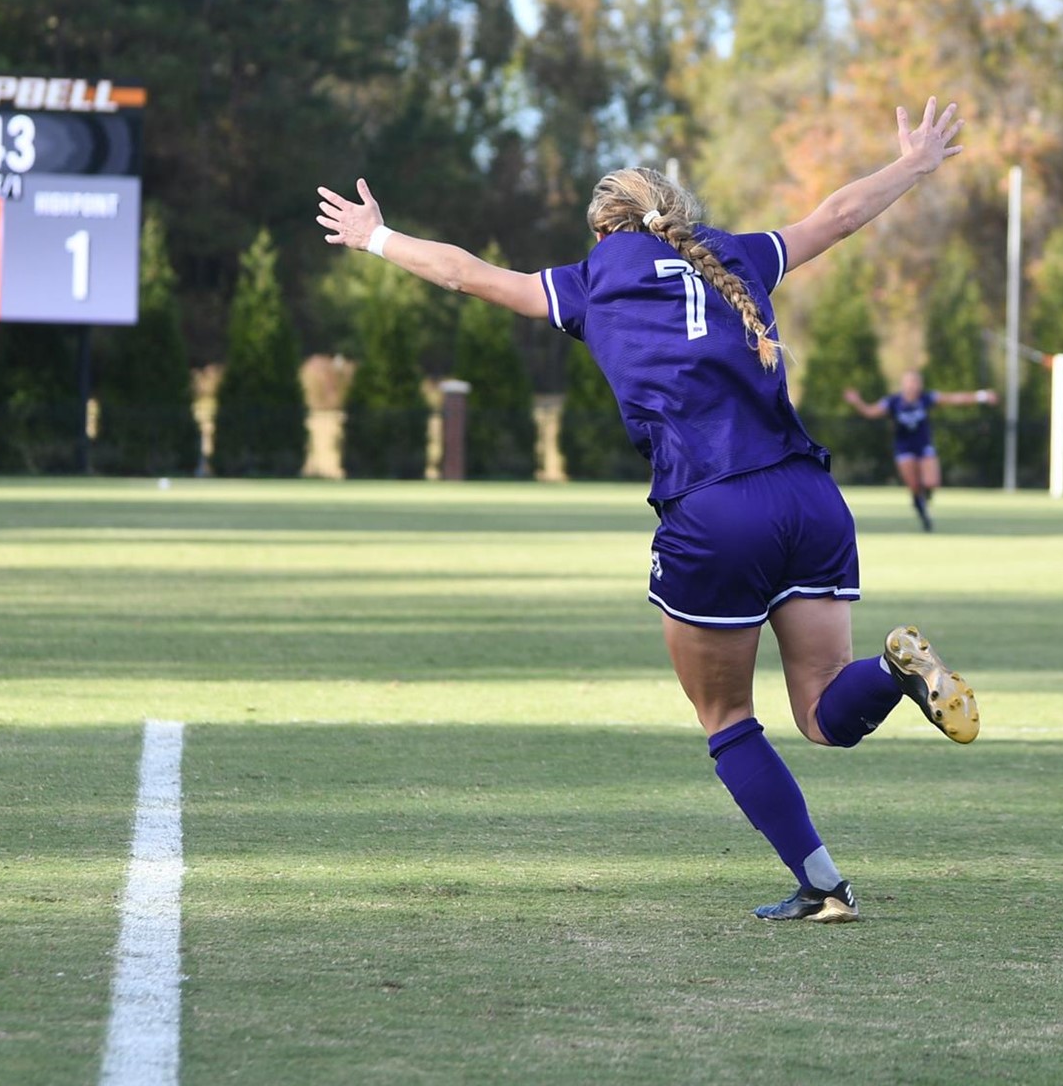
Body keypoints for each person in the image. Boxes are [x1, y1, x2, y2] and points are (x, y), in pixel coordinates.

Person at [315, 97, 980, 924]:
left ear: (604, 228)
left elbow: (465, 273)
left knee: (730, 720)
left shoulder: (595, 279)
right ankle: (892, 671)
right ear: (680, 216)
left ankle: (825, 887)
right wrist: (914, 164)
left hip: (714, 511)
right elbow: (838, 216)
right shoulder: (737, 257)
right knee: (823, 712)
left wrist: (375, 236)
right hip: (809, 497)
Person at [843, 372, 995, 530]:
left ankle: (923, 498)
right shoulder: (893, 402)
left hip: (923, 446)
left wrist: (982, 396)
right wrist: (857, 402)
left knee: (932, 482)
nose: (913, 386)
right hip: (904, 448)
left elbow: (953, 399)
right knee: (914, 485)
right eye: (910, 382)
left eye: (916, 383)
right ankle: (921, 510)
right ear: (903, 385)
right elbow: (871, 412)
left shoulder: (926, 398)